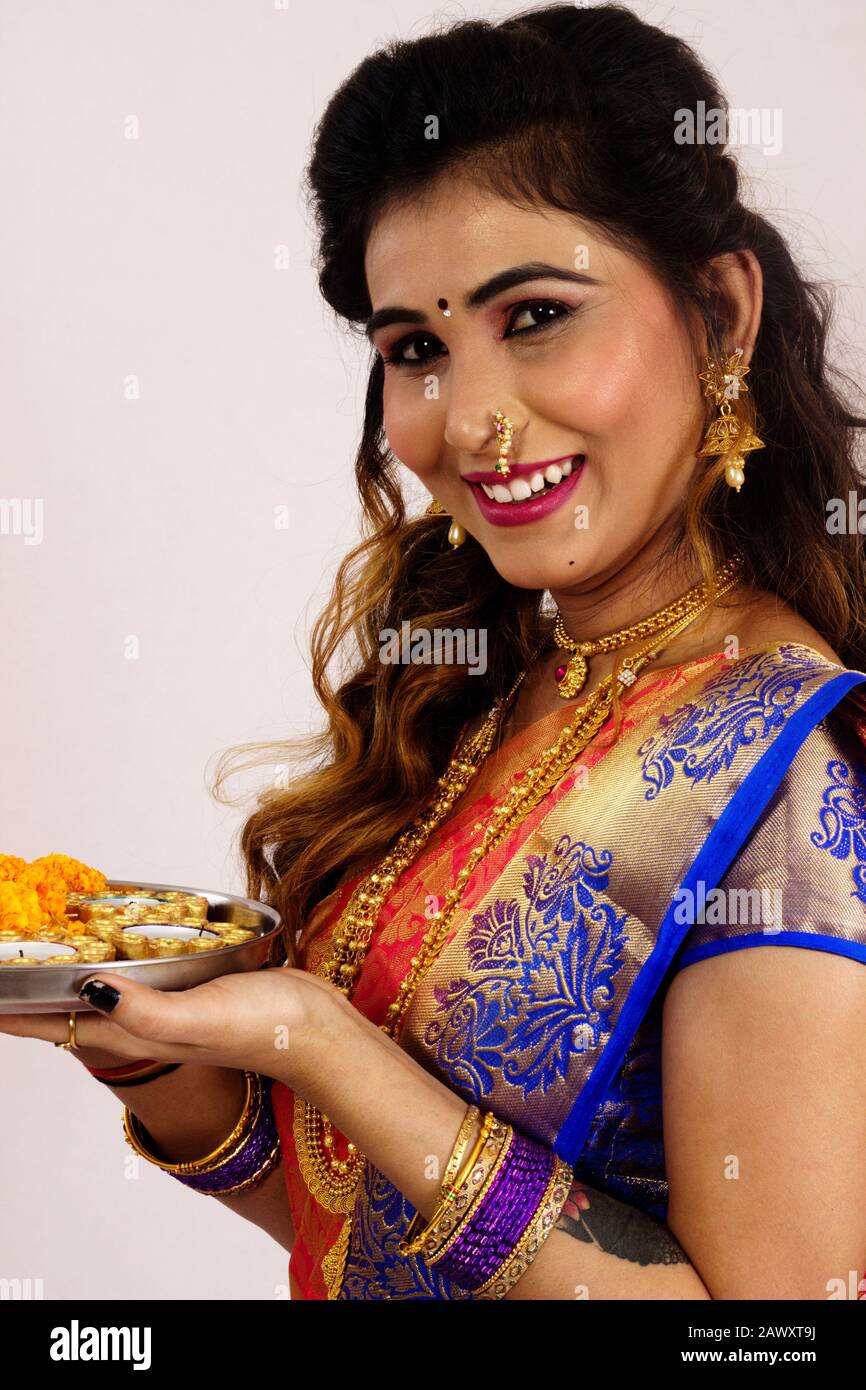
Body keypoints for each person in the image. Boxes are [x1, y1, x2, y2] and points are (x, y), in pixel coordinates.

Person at [4, 2, 866, 1301]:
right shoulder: (484, 690)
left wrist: (319, 1040)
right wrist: (143, 1037)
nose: (470, 420)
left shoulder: (788, 786)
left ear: (719, 313)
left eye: (533, 316)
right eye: (415, 346)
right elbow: (365, 1225)